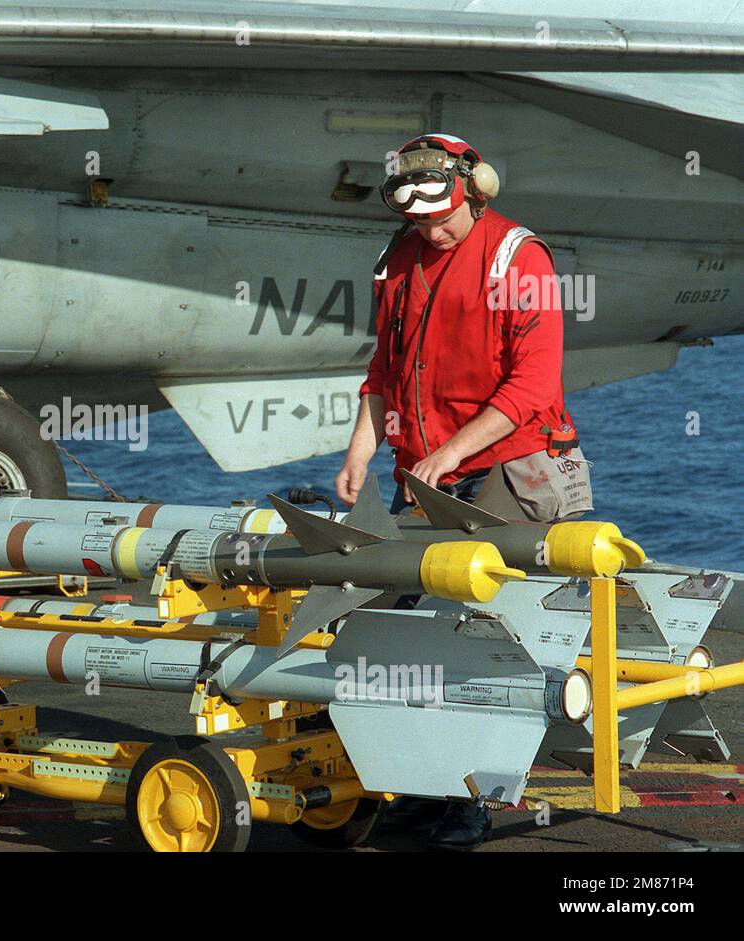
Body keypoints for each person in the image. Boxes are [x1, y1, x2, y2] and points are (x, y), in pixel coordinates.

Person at [334, 133, 591, 849]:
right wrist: (361, 450)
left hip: (513, 470)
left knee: (474, 636)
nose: (432, 230)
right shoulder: (399, 257)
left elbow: (533, 385)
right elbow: (385, 366)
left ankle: (474, 795)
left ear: (476, 191)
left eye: (442, 217)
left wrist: (445, 454)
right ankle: (423, 787)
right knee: (394, 626)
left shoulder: (519, 257)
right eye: (418, 220)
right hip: (428, 477)